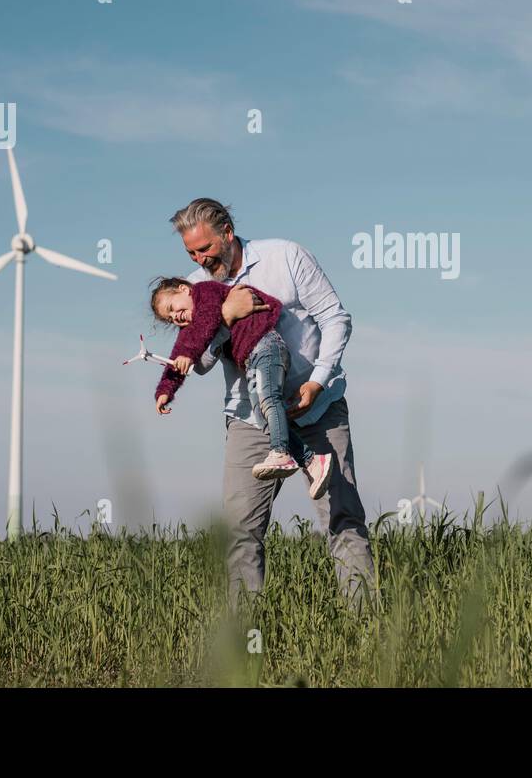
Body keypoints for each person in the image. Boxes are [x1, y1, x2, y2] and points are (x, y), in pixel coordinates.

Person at [168, 198, 374, 604]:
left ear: (227, 232)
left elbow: (336, 318)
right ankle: (244, 644)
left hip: (317, 407)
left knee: (342, 518)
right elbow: (203, 361)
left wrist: (316, 382)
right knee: (241, 530)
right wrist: (225, 314)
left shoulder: (286, 256)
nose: (200, 260)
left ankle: (366, 632)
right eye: (191, 253)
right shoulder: (196, 288)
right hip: (250, 416)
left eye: (205, 249)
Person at [147, 276, 334, 499]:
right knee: (262, 414)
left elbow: (206, 321)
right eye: (170, 319)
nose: (175, 317)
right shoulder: (191, 328)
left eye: (172, 308)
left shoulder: (205, 292)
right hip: (251, 361)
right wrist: (166, 389)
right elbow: (181, 351)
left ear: (184, 289)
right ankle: (313, 461)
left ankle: (280, 453)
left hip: (266, 346)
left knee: (268, 398)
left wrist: (189, 353)